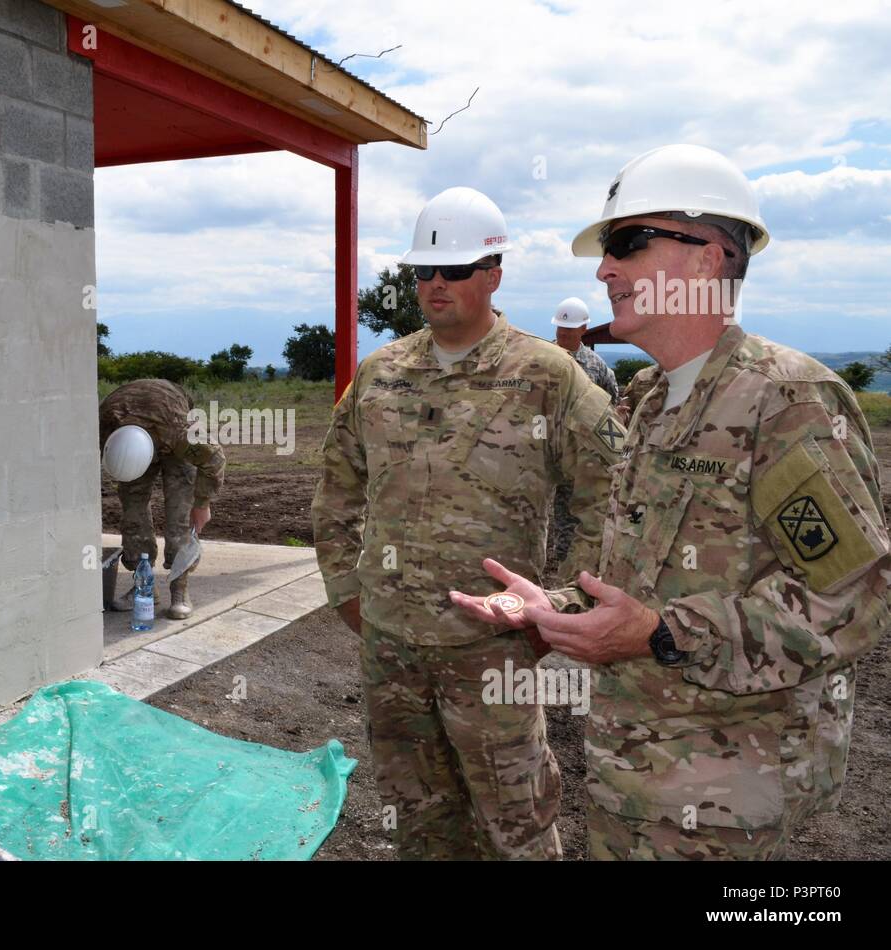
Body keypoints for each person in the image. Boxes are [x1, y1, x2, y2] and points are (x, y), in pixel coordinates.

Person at [450, 144, 890, 859]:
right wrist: (555, 611)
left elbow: (856, 599)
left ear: (706, 260)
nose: (602, 270)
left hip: (723, 799)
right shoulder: (654, 402)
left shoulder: (784, 400)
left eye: (625, 243)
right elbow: (647, 584)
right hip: (634, 775)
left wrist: (663, 634)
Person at [312, 187, 624, 859]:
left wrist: (561, 608)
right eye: (424, 271)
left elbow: (616, 497)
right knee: (420, 819)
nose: (435, 284)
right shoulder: (382, 373)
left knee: (516, 826)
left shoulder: (546, 376)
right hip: (391, 650)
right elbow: (338, 488)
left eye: (453, 270)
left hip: (492, 651)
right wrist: (349, 592)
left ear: (493, 275)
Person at [99, 378, 225, 620]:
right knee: (132, 515)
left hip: (169, 425)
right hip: (130, 437)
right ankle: (143, 585)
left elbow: (215, 460)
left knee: (180, 515)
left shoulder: (182, 436)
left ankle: (180, 589)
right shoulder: (106, 431)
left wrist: (202, 504)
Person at [552, 297, 618, 402]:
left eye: (569, 328)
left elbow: (612, 402)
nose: (563, 332)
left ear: (583, 329)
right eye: (560, 327)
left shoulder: (596, 365)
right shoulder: (544, 356)